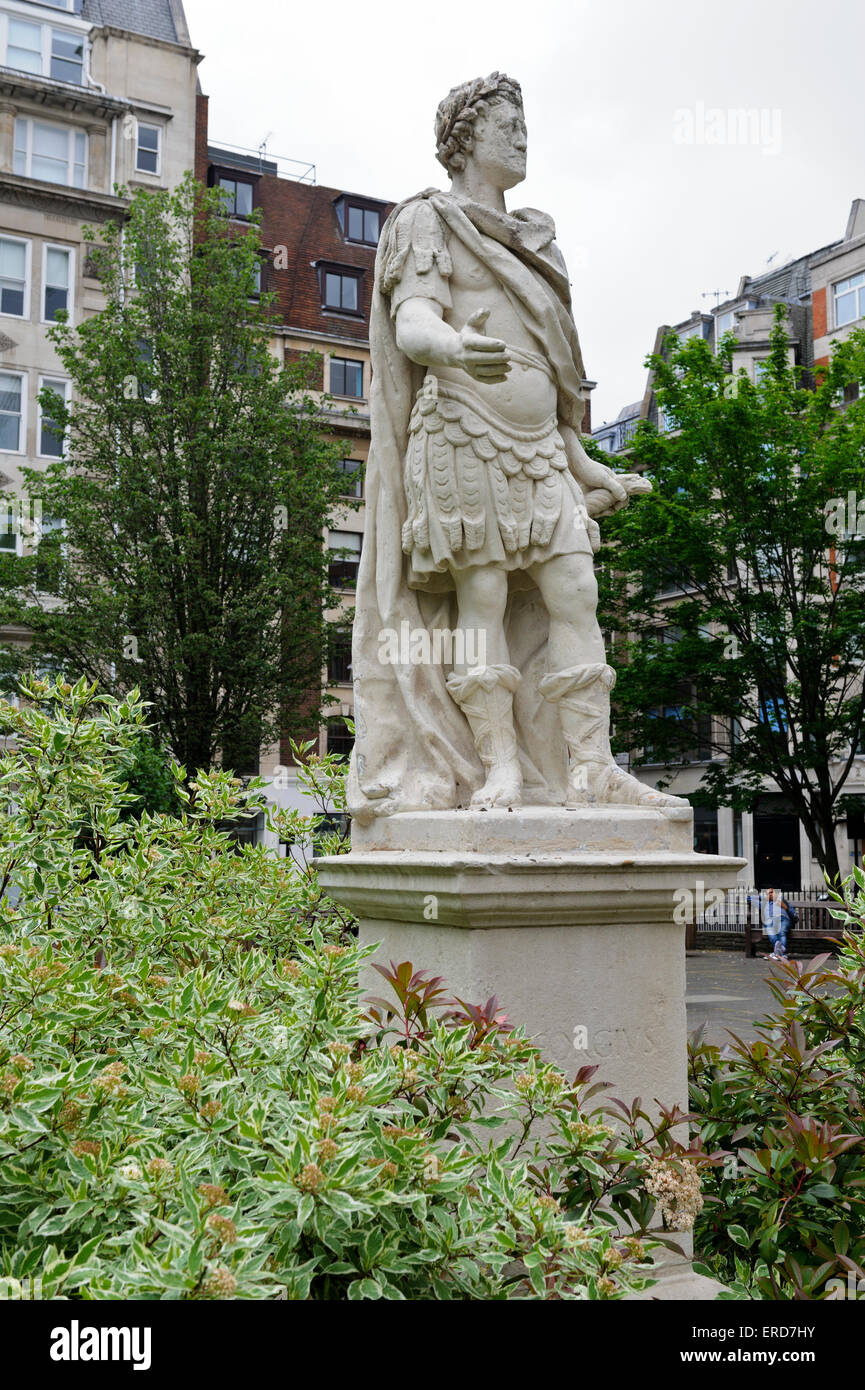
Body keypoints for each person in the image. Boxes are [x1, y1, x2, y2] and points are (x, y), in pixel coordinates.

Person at [347, 72, 685, 819]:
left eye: (525, 123)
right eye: (507, 123)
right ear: (464, 137)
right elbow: (413, 323)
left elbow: (560, 384)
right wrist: (453, 349)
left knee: (577, 593)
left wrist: (584, 460)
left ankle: (590, 767)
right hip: (461, 429)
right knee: (485, 600)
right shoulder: (426, 221)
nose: (522, 136)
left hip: (539, 445)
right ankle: (497, 769)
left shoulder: (537, 244)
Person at [762, 888, 796, 959]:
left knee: (781, 932)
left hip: (783, 919)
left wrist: (786, 908)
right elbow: (749, 898)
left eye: (771, 892)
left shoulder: (783, 902)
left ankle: (777, 953)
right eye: (768, 893)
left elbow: (794, 916)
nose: (770, 894)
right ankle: (780, 953)